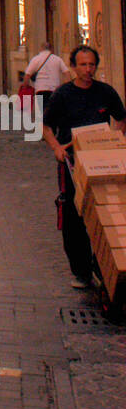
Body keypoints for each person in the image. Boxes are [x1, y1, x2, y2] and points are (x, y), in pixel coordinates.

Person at [42, 46, 126, 288]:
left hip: (101, 161)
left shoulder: (106, 92)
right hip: (71, 162)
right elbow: (46, 127)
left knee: (105, 210)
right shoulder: (62, 95)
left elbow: (121, 119)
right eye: (83, 65)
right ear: (73, 67)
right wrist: (57, 148)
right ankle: (81, 271)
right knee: (73, 214)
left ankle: (103, 265)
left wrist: (114, 139)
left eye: (91, 65)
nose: (88, 70)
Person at [24, 42, 70, 118]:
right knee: (54, 112)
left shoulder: (36, 59)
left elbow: (27, 75)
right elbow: (67, 73)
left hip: (40, 89)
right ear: (51, 49)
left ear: (41, 48)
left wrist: (25, 86)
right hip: (54, 90)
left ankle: (44, 123)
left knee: (42, 113)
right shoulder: (57, 59)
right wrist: (67, 86)